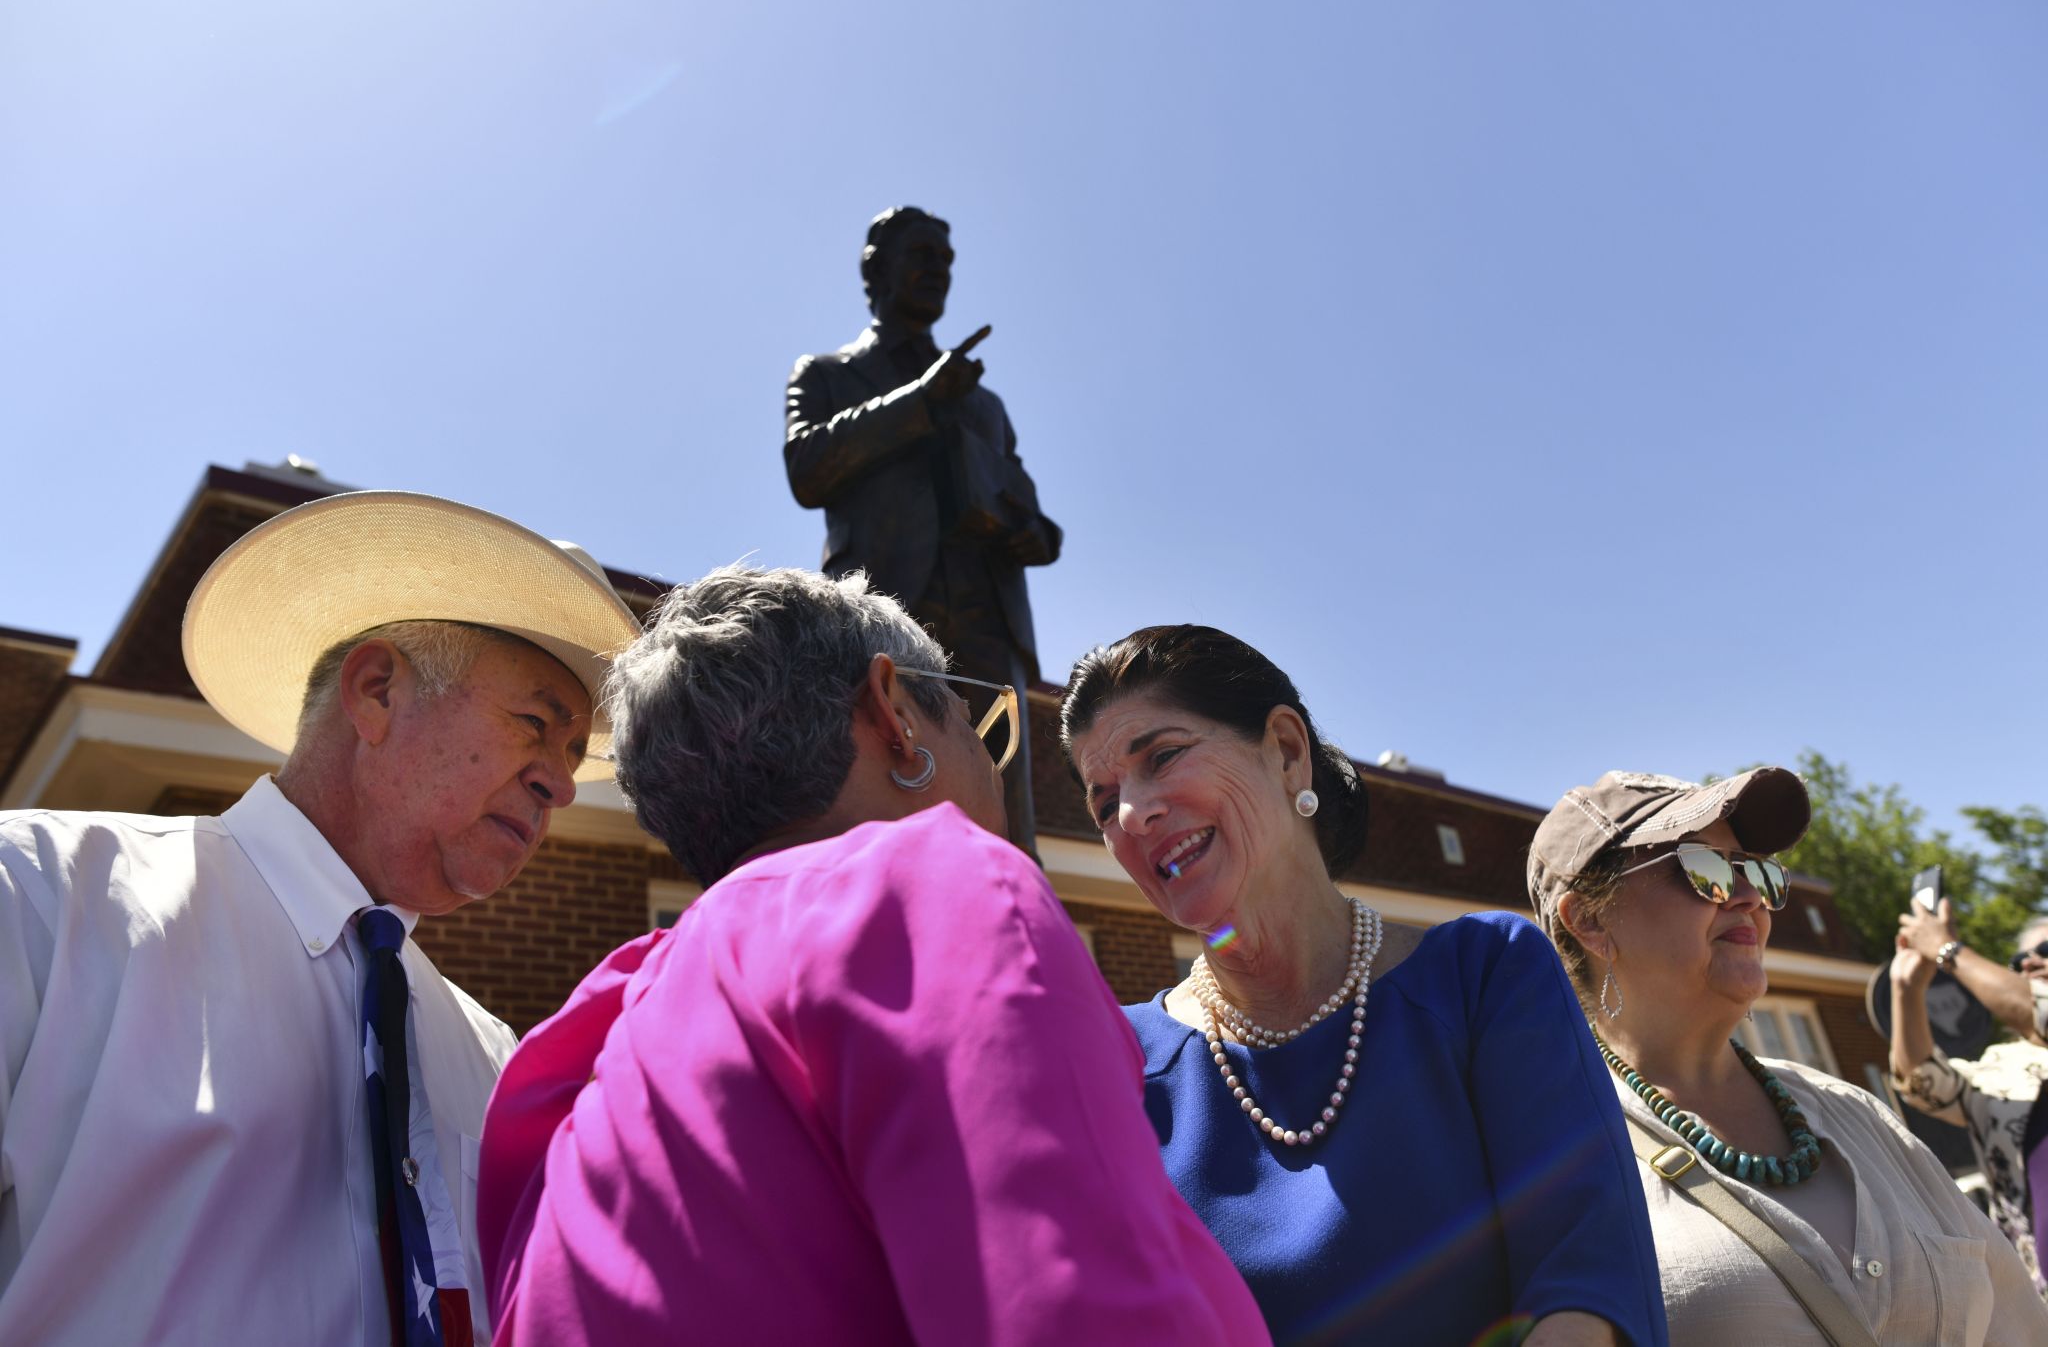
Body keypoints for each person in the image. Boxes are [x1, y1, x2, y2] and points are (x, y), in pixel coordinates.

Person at [476, 567, 1269, 1346]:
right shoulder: (932, 890)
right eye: (972, 722)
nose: (991, 765)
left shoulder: (596, 1031)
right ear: (894, 712)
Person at [0, 490, 642, 1345]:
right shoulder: (42, 898)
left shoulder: (492, 1056)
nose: (560, 785)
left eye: (572, 754)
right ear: (376, 691)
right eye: (534, 723)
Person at [1061, 625, 1666, 1346]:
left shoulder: (1486, 977)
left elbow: (1590, 1283)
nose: (1132, 814)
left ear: (1286, 750)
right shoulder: (1118, 1063)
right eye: (1103, 804)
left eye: (1161, 756)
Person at [1532, 767, 2048, 1345]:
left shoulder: (1856, 1112)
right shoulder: (1550, 1160)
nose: (1752, 898)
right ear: (1590, 919)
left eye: (1758, 872)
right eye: (1704, 870)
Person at [784, 206, 1061, 853]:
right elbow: (807, 468)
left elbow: (1042, 528)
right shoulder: (826, 375)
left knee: (1005, 820)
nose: (938, 271)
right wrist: (922, 399)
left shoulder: (984, 403)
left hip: (989, 625)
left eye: (947, 261)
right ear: (875, 269)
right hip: (885, 616)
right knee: (884, 800)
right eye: (922, 256)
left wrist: (1024, 529)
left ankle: (1014, 942)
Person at [1891, 903, 2048, 1298]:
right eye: (2019, 960)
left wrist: (1947, 948)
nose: (2030, 962)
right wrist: (1907, 990)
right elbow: (1924, 1082)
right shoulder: (2002, 1067)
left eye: (2045, 952)